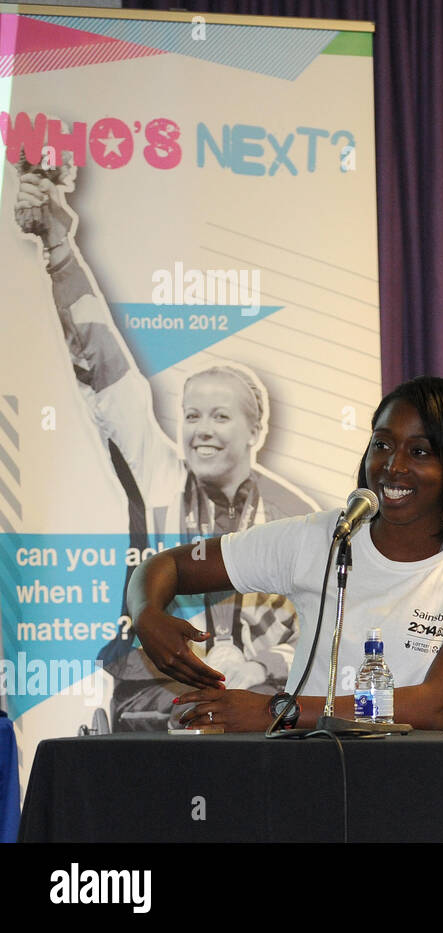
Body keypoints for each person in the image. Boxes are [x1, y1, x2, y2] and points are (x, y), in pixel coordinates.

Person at [13, 167, 317, 726]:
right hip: (159, 693)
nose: (201, 429)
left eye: (221, 416)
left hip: (262, 698)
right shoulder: (160, 476)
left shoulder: (296, 515)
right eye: (192, 414)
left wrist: (255, 667)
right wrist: (60, 249)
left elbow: (324, 630)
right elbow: (109, 368)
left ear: (256, 430)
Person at [129, 377, 443, 732]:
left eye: (419, 452)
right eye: (382, 444)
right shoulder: (320, 537)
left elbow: (435, 705)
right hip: (309, 776)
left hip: (422, 787)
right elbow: (169, 565)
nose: (392, 466)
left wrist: (279, 712)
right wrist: (147, 613)